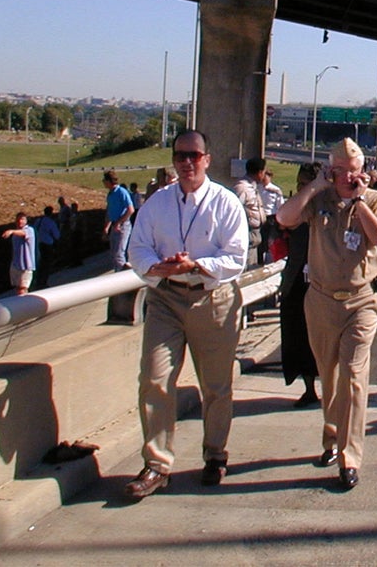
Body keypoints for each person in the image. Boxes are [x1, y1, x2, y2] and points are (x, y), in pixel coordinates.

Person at [124, 129, 249, 499]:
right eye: (181, 156)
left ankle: (215, 455)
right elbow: (138, 249)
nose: (187, 162)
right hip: (165, 299)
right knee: (154, 379)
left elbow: (235, 258)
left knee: (215, 386)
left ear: (207, 159)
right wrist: (158, 268)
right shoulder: (157, 204)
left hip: (212, 299)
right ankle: (157, 465)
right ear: (174, 160)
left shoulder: (225, 203)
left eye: (195, 155)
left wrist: (196, 264)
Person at [276, 137, 377, 491]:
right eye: (338, 171)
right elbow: (284, 217)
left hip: (361, 301)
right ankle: (331, 435)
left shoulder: (375, 200)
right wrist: (314, 186)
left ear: (363, 172)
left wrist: (359, 203)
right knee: (328, 376)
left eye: (351, 171)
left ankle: (350, 457)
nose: (345, 177)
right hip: (322, 300)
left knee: (353, 376)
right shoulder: (319, 200)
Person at [278, 162, 321, 408]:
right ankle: (308, 388)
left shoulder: (326, 208)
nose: (301, 189)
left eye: (306, 184)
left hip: (321, 281)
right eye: (299, 184)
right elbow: (284, 220)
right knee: (297, 336)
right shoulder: (295, 209)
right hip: (296, 280)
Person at [232, 158, 269, 263]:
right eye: (264, 172)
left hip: (255, 235)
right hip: (247, 233)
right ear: (260, 172)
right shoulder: (242, 188)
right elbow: (235, 210)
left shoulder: (253, 187)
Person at [102, 170, 134, 270]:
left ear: (109, 181)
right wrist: (106, 227)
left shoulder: (121, 192)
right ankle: (118, 272)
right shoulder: (110, 194)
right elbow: (109, 212)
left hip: (123, 225)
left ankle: (123, 278)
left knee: (119, 254)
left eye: (104, 180)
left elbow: (130, 209)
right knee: (113, 254)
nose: (103, 182)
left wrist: (119, 222)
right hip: (114, 225)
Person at [2, 211, 36, 296]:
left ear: (26, 221)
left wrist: (11, 231)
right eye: (18, 219)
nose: (20, 221)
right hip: (16, 265)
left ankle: (25, 306)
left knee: (22, 289)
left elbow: (24, 234)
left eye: (22, 219)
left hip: (25, 265)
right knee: (17, 289)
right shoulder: (15, 235)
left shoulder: (29, 230)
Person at [35, 205, 61, 287]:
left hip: (38, 244)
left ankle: (38, 281)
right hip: (47, 245)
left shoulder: (38, 221)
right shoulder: (50, 222)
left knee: (40, 264)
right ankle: (43, 282)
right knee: (46, 264)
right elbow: (57, 235)